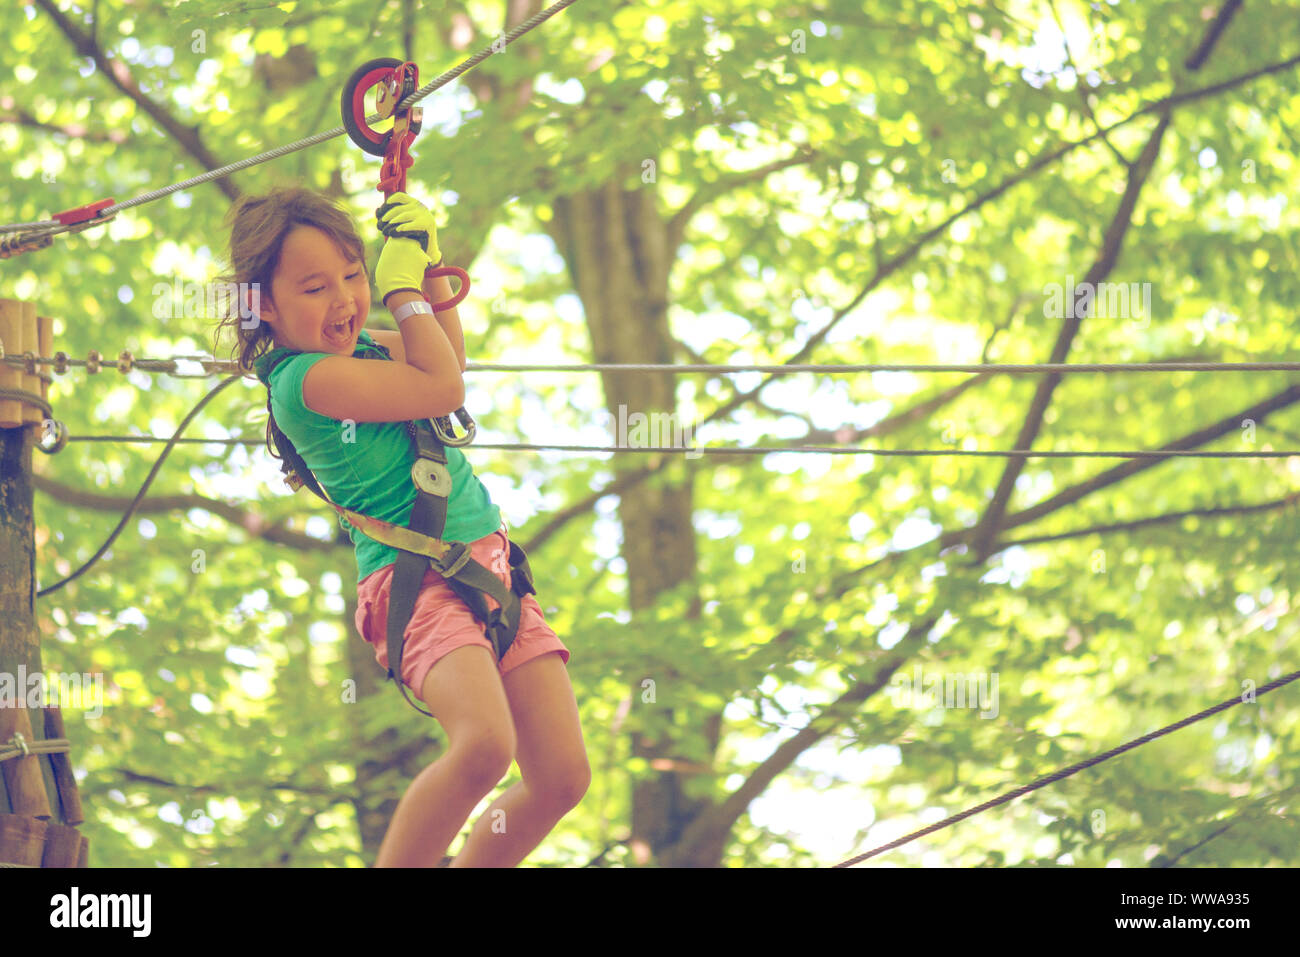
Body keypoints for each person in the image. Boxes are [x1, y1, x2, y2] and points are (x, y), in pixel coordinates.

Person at [212, 186, 589, 867]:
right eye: (315, 287)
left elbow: (446, 358)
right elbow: (444, 390)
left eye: (353, 275)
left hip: (492, 570)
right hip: (416, 584)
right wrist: (401, 291)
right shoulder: (303, 383)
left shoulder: (367, 348)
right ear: (265, 306)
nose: (345, 300)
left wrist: (431, 265)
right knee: (483, 746)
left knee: (562, 776)